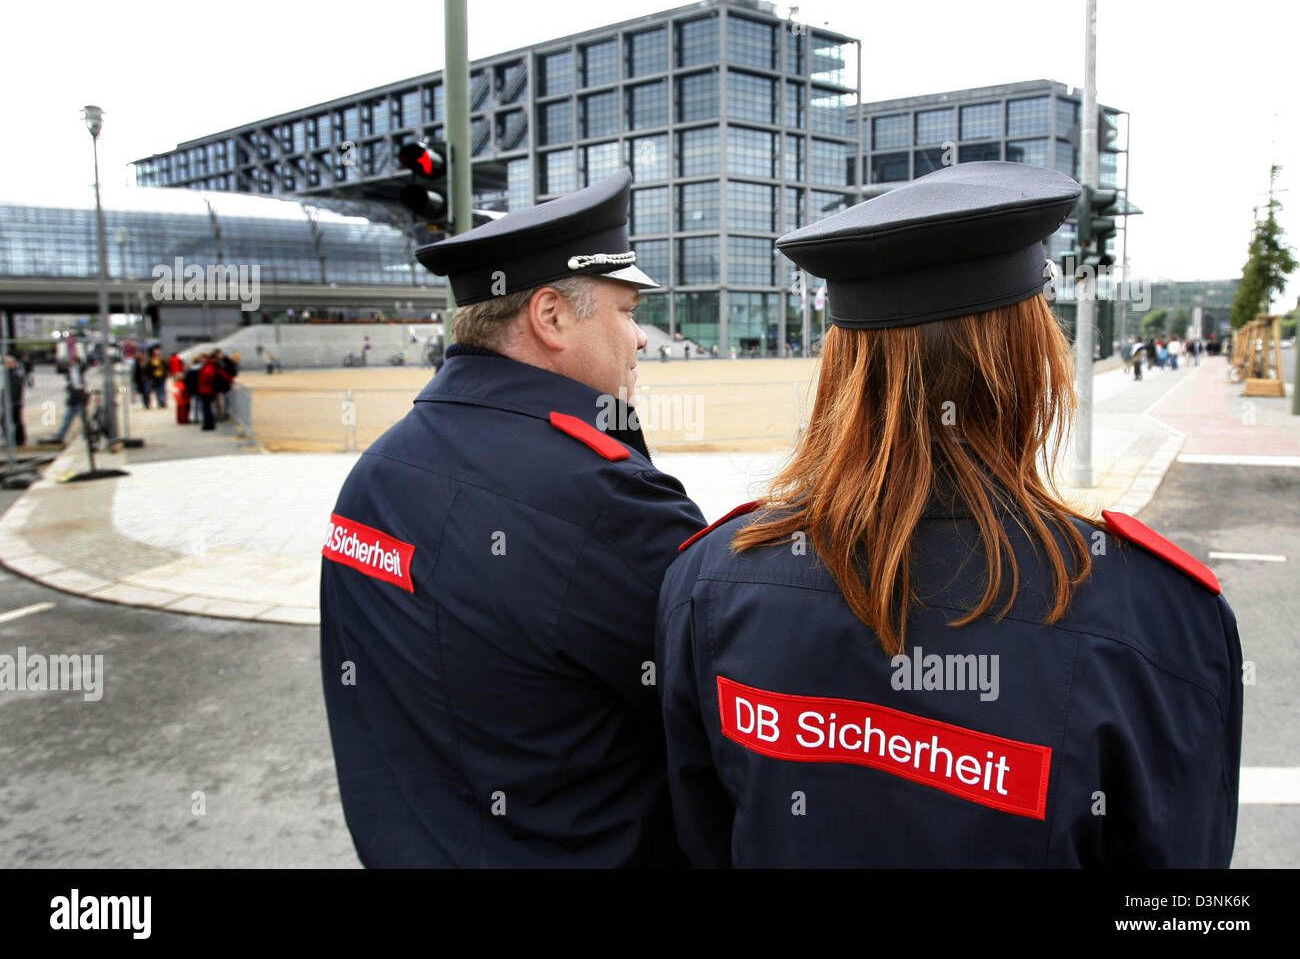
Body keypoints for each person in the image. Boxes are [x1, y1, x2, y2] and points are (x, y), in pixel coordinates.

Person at [655, 162, 1243, 868]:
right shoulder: (1158, 614)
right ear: (1029, 359)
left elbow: (703, 839)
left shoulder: (711, 583)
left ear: (842, 365)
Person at [319, 168, 705, 868]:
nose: (641, 338)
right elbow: (717, 723)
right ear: (551, 316)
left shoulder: (375, 473)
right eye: (625, 310)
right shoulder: (609, 504)